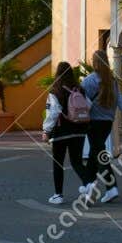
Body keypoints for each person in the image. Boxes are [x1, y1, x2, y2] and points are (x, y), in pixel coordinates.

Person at [80, 50, 122, 204]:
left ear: (94, 62)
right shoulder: (111, 81)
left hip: (92, 122)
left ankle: (110, 187)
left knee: (98, 154)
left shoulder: (88, 81)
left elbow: (79, 102)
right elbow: (120, 100)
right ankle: (88, 186)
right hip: (107, 123)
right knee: (95, 153)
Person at [42, 62, 93, 205]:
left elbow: (53, 112)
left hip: (61, 132)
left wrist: (46, 130)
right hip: (79, 130)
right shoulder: (80, 89)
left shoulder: (55, 90)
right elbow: (89, 105)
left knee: (58, 163)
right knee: (77, 162)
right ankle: (88, 183)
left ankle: (58, 195)